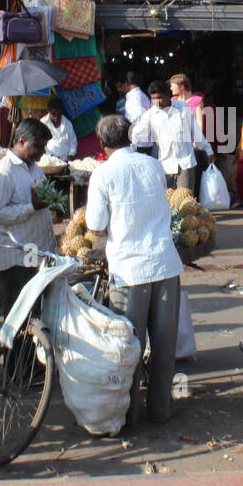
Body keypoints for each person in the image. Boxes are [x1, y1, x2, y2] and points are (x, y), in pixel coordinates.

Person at [86, 114, 184, 423]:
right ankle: (161, 409)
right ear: (129, 137)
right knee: (164, 346)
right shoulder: (152, 165)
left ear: (102, 145)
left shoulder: (103, 174)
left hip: (129, 271)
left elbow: (95, 224)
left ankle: (129, 415)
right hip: (165, 264)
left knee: (128, 347)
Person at [0, 118, 57, 318]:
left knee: (39, 313)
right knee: (19, 315)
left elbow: (44, 198)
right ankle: (13, 350)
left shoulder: (34, 167)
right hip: (18, 256)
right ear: (21, 141)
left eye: (44, 147)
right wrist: (31, 207)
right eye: (38, 146)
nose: (42, 152)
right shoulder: (3, 172)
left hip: (40, 251)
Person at [132, 80, 213, 195]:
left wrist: (208, 149)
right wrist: (129, 151)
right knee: (169, 204)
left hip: (186, 163)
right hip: (165, 165)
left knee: (185, 203)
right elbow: (136, 134)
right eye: (153, 99)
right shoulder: (150, 115)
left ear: (168, 95)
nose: (157, 102)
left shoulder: (183, 108)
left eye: (160, 97)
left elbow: (195, 130)